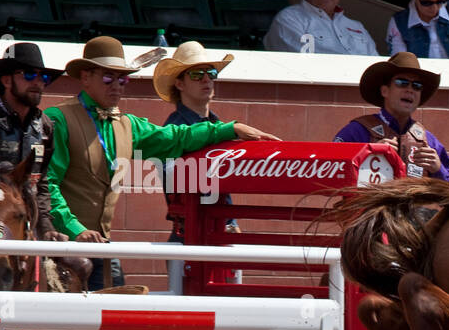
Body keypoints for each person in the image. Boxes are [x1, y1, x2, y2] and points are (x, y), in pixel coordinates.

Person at [43, 37, 278, 290]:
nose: (117, 86)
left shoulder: (128, 124)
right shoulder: (60, 118)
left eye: (123, 79)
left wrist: (231, 128)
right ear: (86, 77)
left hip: (100, 245)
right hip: (62, 243)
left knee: (118, 317)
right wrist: (75, 229)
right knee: (66, 322)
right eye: (109, 78)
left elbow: (177, 136)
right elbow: (48, 184)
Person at [151, 41, 242, 285]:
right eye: (196, 74)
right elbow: (174, 183)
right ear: (179, 83)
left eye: (211, 73)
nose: (206, 80)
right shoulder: (172, 130)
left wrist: (231, 222)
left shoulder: (217, 124)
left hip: (218, 232)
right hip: (188, 234)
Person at [0, 42, 66, 241]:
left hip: (23, 227)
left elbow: (40, 182)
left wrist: (46, 227)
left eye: (43, 77)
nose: (37, 82)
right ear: (6, 80)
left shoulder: (44, 126)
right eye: (28, 75)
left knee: (80, 265)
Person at [333, 53, 449, 187]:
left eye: (417, 86)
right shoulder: (357, 131)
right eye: (402, 83)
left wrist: (438, 169)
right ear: (385, 91)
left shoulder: (427, 140)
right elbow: (330, 172)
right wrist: (367, 154)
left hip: (416, 207)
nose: (410, 90)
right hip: (368, 207)